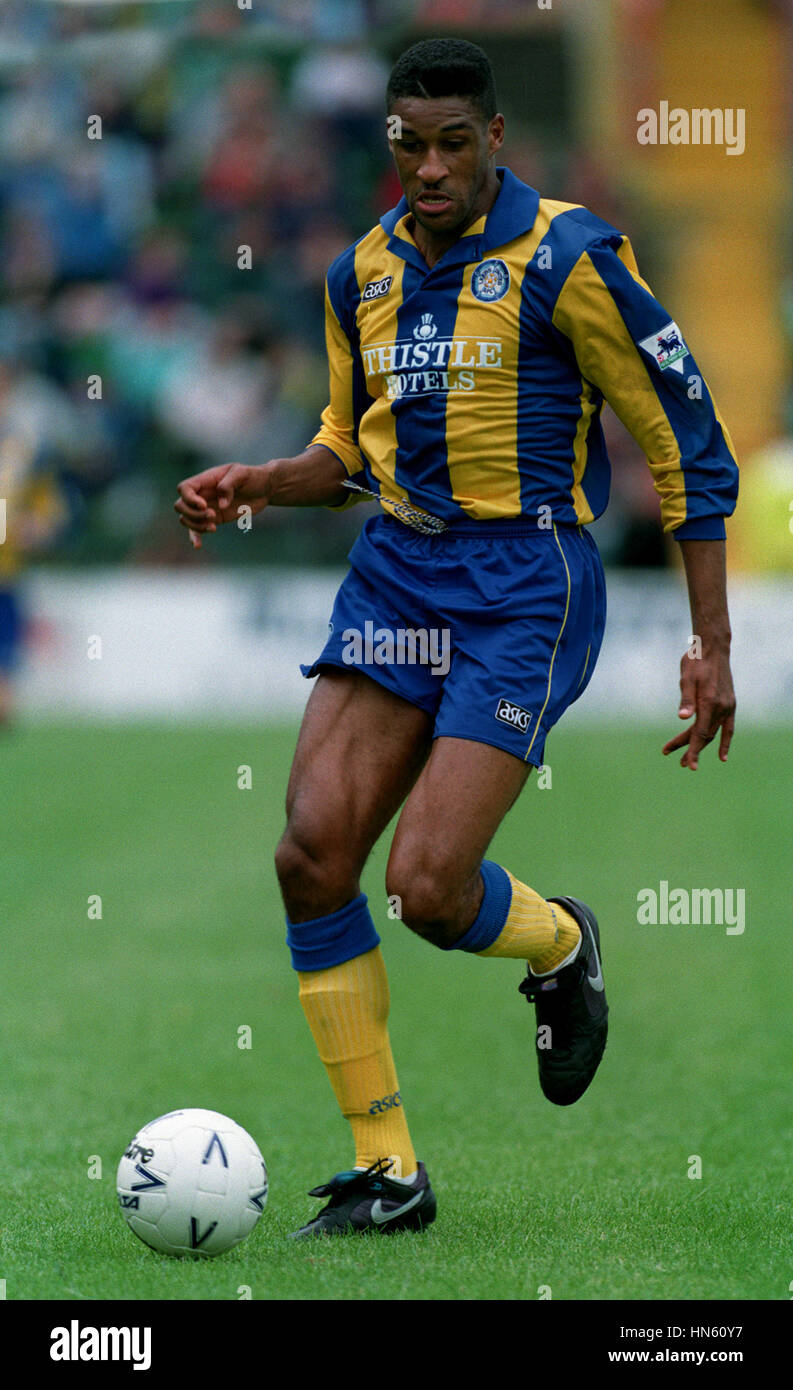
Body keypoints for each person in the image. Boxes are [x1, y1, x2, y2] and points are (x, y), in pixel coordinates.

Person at [175, 38, 738, 1238]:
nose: (426, 169)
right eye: (406, 147)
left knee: (426, 889)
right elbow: (346, 449)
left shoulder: (568, 256)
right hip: (397, 572)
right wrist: (263, 480)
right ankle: (389, 1174)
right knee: (310, 854)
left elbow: (683, 435)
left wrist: (712, 641)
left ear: (493, 141)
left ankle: (559, 940)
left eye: (449, 145)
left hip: (525, 578)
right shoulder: (360, 274)